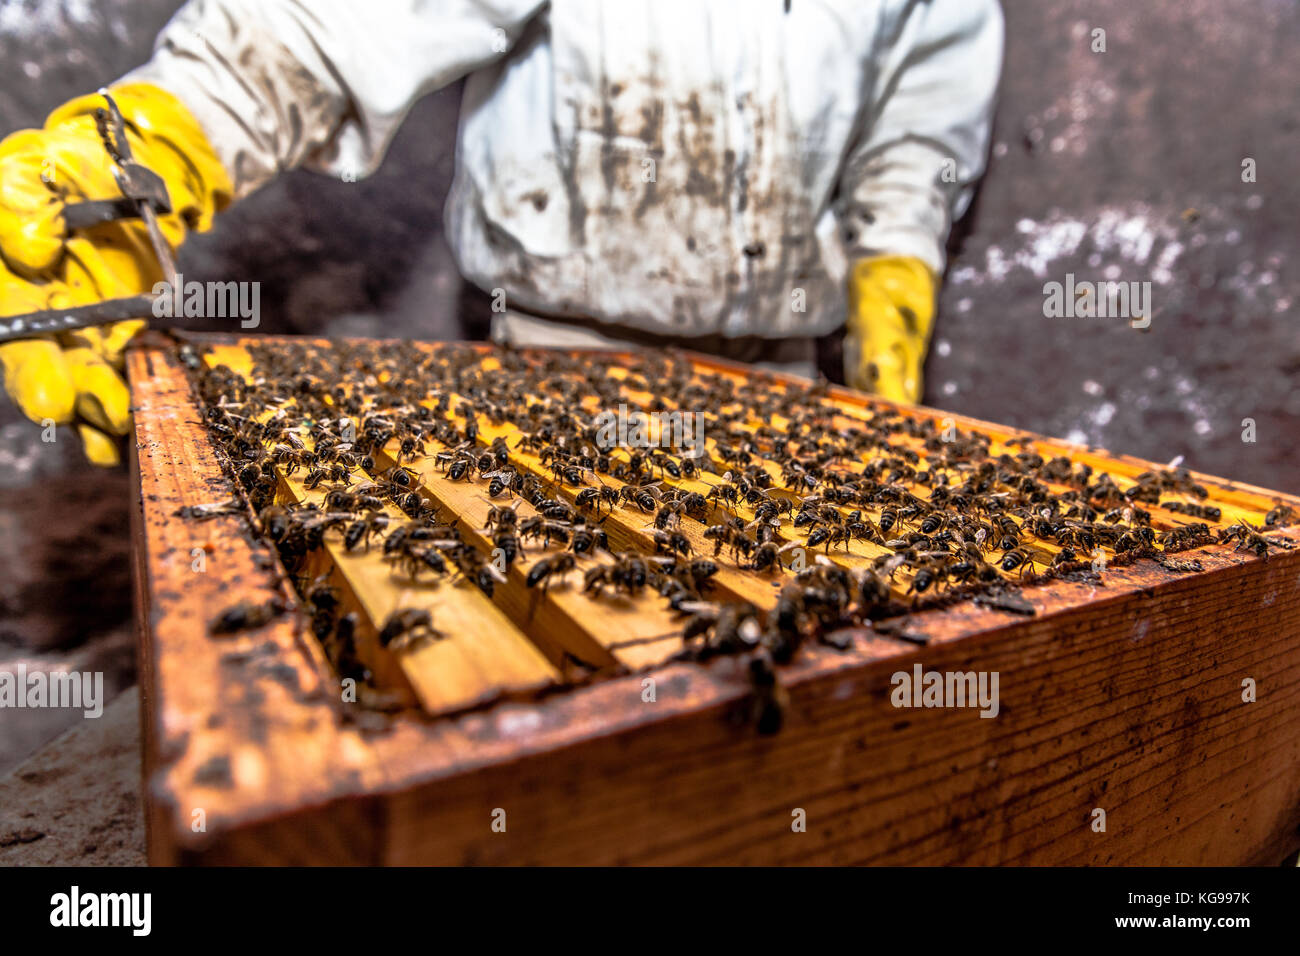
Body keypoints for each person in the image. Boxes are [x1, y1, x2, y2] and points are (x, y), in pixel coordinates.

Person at [0, 0, 1002, 465]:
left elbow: (920, 114)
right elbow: (335, 22)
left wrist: (897, 263)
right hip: (545, 356)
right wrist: (173, 132)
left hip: (786, 373)